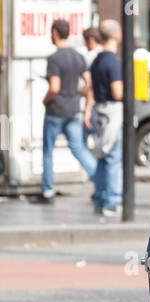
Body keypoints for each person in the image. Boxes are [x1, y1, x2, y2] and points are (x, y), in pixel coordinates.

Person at [39, 19, 96, 203]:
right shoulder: (77, 56)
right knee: (78, 148)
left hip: (56, 111)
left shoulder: (54, 59)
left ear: (55, 33)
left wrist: (45, 100)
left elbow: (54, 88)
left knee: (48, 151)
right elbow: (89, 82)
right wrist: (79, 94)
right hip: (73, 110)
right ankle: (101, 181)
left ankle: (48, 192)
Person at [84, 19, 123, 217]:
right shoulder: (114, 61)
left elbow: (90, 88)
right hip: (113, 113)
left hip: (99, 112)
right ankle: (113, 201)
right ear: (117, 35)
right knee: (114, 158)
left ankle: (100, 198)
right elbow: (117, 92)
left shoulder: (97, 60)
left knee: (100, 157)